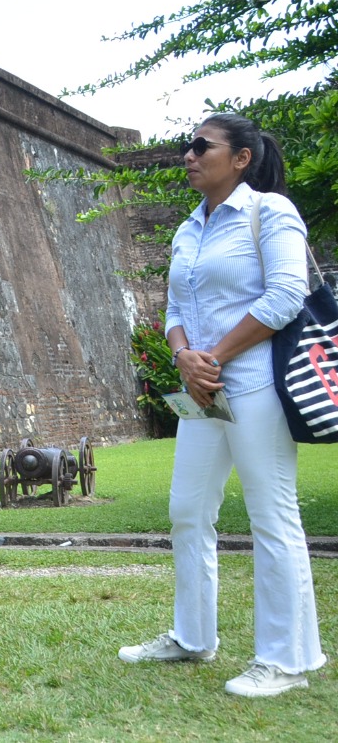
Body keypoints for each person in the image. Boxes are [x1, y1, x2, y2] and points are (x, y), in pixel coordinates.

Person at [117, 113, 325, 696]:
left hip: (255, 383)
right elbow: (175, 311)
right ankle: (192, 637)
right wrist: (186, 356)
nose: (188, 154)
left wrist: (219, 355)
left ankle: (285, 661)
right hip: (202, 391)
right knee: (187, 509)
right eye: (188, 145)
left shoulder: (270, 212)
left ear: (240, 158)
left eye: (201, 146)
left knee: (272, 515)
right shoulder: (188, 228)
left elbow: (288, 293)